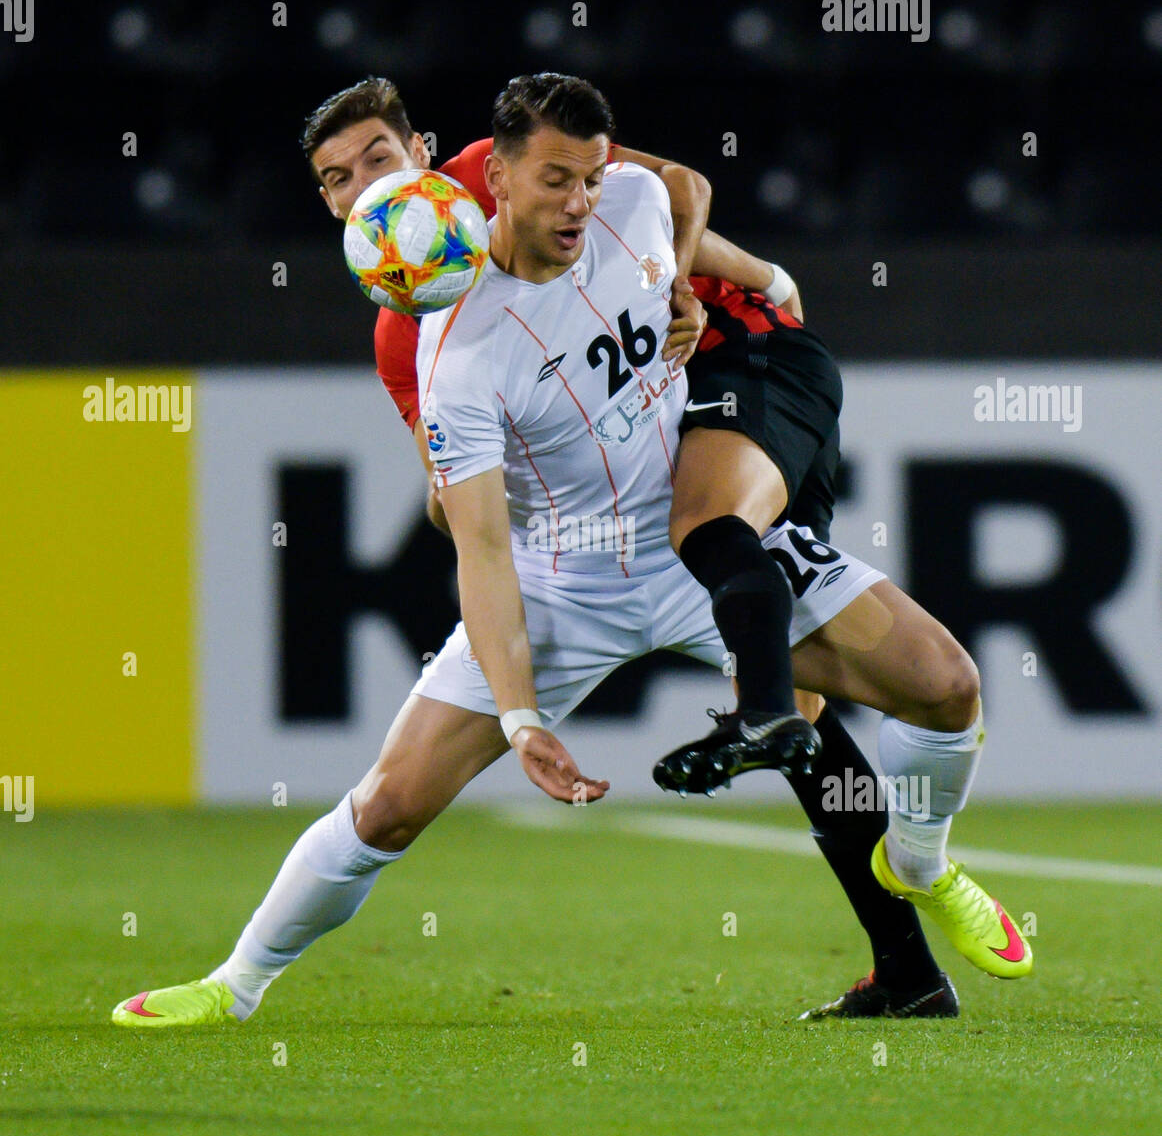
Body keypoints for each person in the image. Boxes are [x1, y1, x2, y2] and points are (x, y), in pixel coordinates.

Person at [108, 76, 1028, 1035]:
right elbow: (480, 548)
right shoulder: (448, 353)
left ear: (446, 164)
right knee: (388, 806)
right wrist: (518, 718)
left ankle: (917, 865)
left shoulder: (626, 204)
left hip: (692, 538)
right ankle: (234, 983)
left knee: (946, 687)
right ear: (501, 183)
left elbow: (689, 210)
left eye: (586, 178)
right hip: (563, 584)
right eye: (560, 181)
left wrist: (749, 283)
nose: (579, 200)